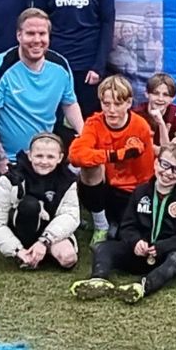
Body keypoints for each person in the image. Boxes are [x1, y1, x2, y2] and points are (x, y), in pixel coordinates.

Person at [68, 143, 176, 304]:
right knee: (102, 247)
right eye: (165, 165)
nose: (168, 172)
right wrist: (136, 242)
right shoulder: (140, 192)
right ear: (156, 163)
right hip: (138, 253)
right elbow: (127, 226)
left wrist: (163, 246)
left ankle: (143, 286)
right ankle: (98, 279)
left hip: (165, 255)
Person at [0, 8, 84, 164]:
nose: (36, 40)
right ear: (19, 35)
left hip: (47, 157)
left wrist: (84, 136)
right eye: (30, 33)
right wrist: (2, 162)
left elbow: (69, 103)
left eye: (42, 34)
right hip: (12, 159)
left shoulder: (61, 65)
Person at [68, 75, 156, 239]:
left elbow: (146, 172)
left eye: (118, 104)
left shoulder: (140, 126)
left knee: (127, 233)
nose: (111, 110)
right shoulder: (94, 123)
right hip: (103, 186)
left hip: (131, 190)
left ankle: (114, 220)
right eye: (106, 104)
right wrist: (116, 155)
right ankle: (100, 225)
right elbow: (75, 155)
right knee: (88, 165)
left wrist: (143, 197)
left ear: (129, 103)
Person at [0, 134, 82, 270]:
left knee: (68, 259)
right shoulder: (12, 178)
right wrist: (17, 250)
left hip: (50, 233)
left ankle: (40, 252)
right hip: (21, 230)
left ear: (60, 158)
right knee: (29, 204)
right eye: (39, 156)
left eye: (50, 157)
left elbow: (70, 216)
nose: (44, 161)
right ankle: (26, 252)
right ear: (30, 156)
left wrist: (44, 242)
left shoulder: (67, 180)